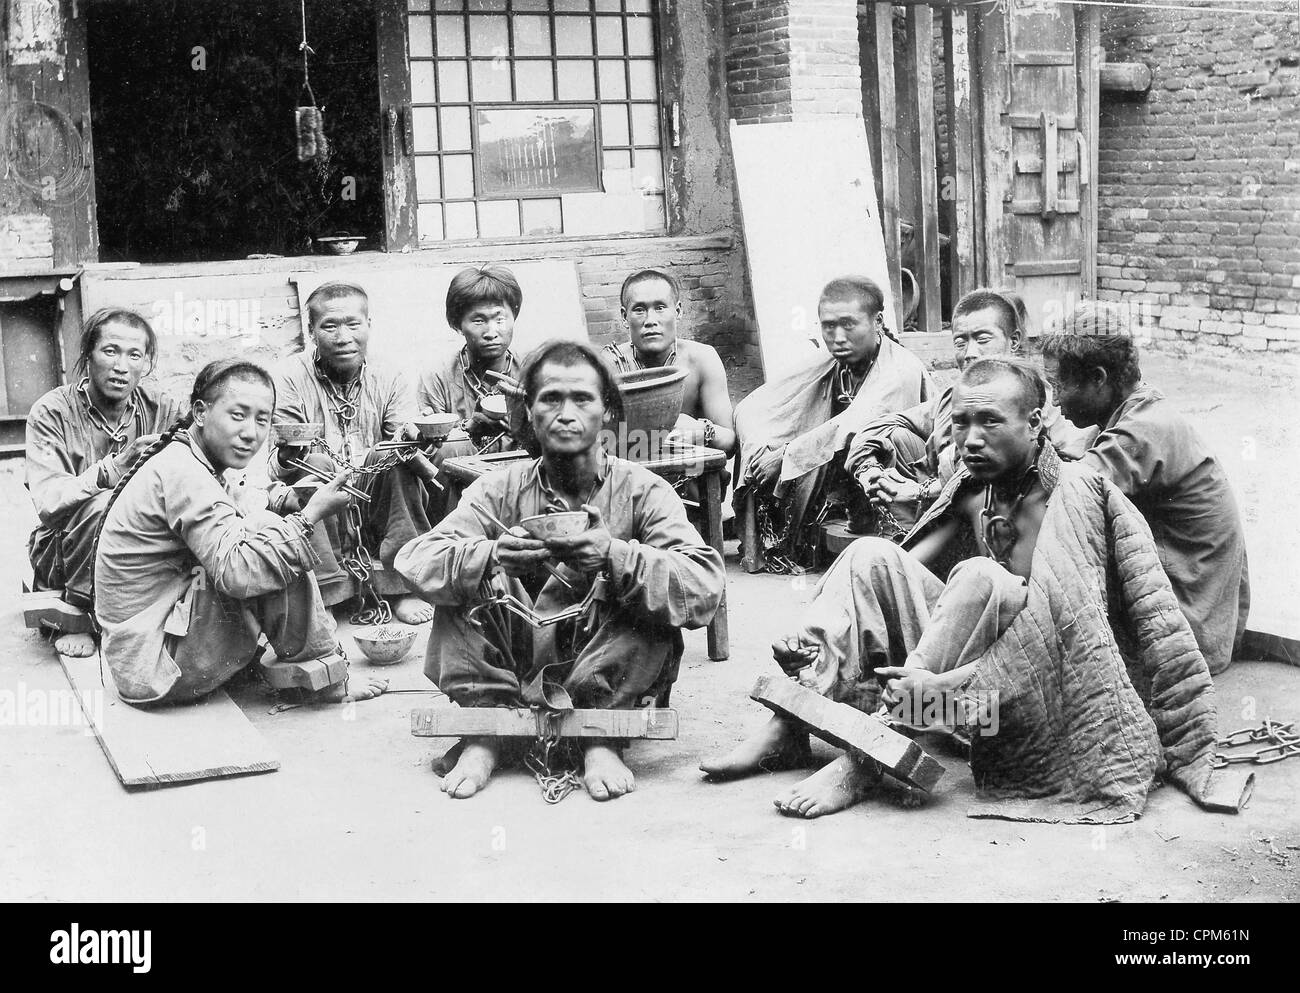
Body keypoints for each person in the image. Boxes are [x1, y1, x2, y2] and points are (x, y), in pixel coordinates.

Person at [705, 357, 1055, 815]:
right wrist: (827, 639)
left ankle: (867, 757)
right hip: (940, 694)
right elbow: (896, 571)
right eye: (961, 423)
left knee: (981, 575)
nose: (971, 439)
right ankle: (793, 719)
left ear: (1033, 423)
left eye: (990, 421)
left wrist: (940, 680)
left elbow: (1059, 641)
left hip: (1002, 706)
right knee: (869, 552)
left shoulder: (1065, 496)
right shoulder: (973, 488)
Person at [396, 340, 725, 802]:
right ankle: (489, 730)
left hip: (603, 658)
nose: (565, 413)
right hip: (512, 656)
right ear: (527, 411)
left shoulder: (644, 490)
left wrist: (615, 556)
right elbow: (416, 560)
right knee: (466, 574)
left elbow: (703, 584)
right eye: (550, 398)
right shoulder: (497, 488)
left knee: (646, 589)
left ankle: (599, 737)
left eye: (583, 399)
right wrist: (492, 556)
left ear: (609, 411)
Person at [94, 358, 388, 707]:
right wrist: (309, 516)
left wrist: (289, 497)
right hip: (157, 664)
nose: (251, 432)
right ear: (200, 412)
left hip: (139, 652)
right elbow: (237, 571)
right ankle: (325, 681)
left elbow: (236, 497)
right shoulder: (183, 471)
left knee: (264, 526)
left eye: (262, 419)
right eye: (238, 415)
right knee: (269, 537)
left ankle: (301, 665)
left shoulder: (187, 453)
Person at [1039, 304, 1250, 674]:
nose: (1054, 401)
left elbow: (1062, 496)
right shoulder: (1139, 409)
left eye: (1058, 386)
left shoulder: (1143, 430)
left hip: (1188, 627)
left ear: (1099, 378)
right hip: (1202, 607)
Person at [846, 288, 1094, 537]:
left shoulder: (1039, 401)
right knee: (895, 436)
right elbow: (873, 427)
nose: (970, 353)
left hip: (1007, 523)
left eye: (982, 339)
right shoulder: (952, 397)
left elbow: (1072, 467)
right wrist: (869, 470)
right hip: (944, 516)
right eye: (960, 342)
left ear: (1014, 341)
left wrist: (923, 490)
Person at [732, 276, 932, 573]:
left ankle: (895, 538)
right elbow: (757, 405)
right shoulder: (831, 361)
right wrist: (762, 447)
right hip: (848, 473)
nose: (838, 336)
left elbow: (858, 422)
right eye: (828, 326)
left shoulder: (899, 369)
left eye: (849, 325)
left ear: (877, 322)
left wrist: (787, 456)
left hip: (906, 474)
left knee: (882, 438)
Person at [270, 280, 435, 624]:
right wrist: (289, 455)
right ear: (312, 332)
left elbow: (402, 439)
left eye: (353, 324)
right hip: (322, 495)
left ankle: (401, 586)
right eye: (329, 326)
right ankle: (327, 593)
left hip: (373, 497)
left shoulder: (389, 374)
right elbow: (277, 464)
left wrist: (416, 438)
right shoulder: (288, 376)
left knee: (396, 456)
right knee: (315, 461)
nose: (343, 336)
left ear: (369, 326)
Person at [25, 308, 184, 658]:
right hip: (65, 550)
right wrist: (112, 469)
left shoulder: (163, 408)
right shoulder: (51, 412)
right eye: (110, 351)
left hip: (142, 542)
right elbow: (50, 504)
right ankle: (81, 613)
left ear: (147, 363)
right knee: (103, 504)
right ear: (88, 355)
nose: (121, 365)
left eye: (134, 355)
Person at [604, 268, 737, 456]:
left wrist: (701, 431)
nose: (650, 320)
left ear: (678, 311)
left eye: (660, 307)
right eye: (639, 310)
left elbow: (730, 441)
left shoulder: (702, 359)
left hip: (689, 474)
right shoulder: (610, 365)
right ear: (625, 317)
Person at [417, 264, 525, 458]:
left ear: (514, 317)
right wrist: (470, 429)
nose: (491, 333)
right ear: (458, 324)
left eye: (500, 320)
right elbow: (431, 449)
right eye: (478, 321)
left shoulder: (532, 370)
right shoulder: (438, 375)